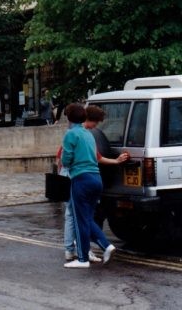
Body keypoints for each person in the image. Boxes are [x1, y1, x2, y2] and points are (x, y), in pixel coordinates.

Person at [60, 103, 117, 268]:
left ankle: (83, 259)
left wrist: (67, 160)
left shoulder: (71, 134)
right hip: (96, 179)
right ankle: (106, 246)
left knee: (79, 220)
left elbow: (66, 160)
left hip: (81, 179)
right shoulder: (89, 135)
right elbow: (96, 156)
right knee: (87, 219)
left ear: (69, 118)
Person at [84, 105, 129, 227]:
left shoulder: (75, 132)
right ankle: (101, 243)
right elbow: (97, 157)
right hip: (85, 178)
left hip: (81, 178)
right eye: (96, 123)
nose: (96, 127)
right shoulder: (84, 134)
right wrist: (116, 161)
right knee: (89, 215)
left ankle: (79, 241)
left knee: (79, 215)